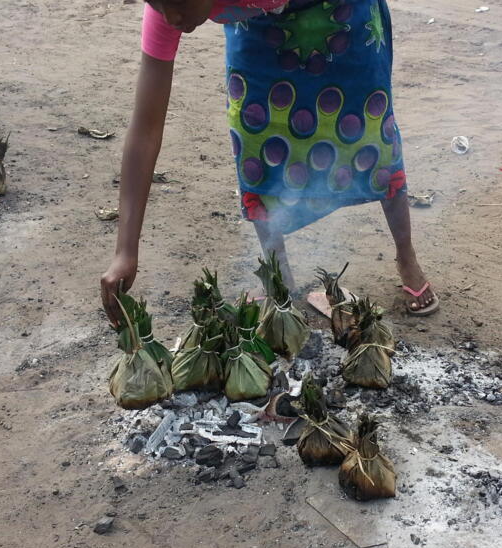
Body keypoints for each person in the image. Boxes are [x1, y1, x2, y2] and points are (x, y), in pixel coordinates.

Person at [100, 0, 439, 327]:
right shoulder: (166, 9)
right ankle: (279, 278)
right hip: (258, 26)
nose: (170, 17)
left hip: (341, 13)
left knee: (370, 127)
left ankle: (406, 256)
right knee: (255, 133)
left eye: (177, 3)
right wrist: (125, 252)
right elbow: (145, 129)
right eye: (156, 3)